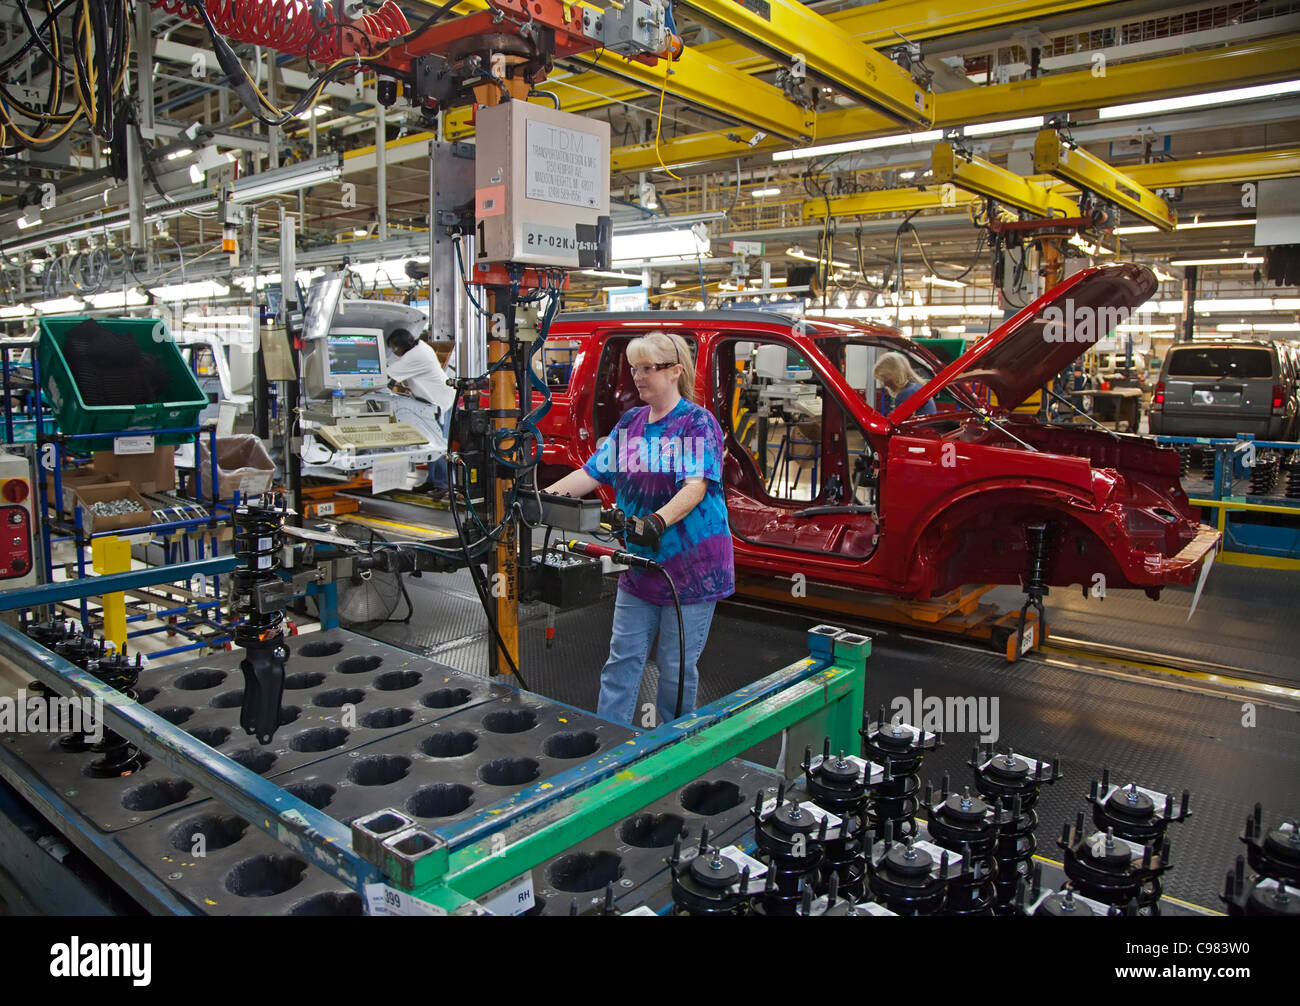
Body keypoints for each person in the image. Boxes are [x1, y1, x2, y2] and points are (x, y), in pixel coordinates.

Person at [545, 331, 734, 727]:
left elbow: (696, 486)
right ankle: (608, 743)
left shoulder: (696, 423)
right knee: (622, 659)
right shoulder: (630, 423)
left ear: (674, 371)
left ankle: (674, 746)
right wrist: (539, 498)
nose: (638, 377)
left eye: (648, 368)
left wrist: (657, 520)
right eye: (634, 368)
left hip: (691, 568)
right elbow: (590, 472)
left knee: (674, 666)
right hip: (640, 563)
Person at [385, 328, 456, 496]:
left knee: (438, 444)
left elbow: (387, 376)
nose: (394, 352)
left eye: (394, 348)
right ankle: (433, 481)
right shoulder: (421, 346)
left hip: (441, 403)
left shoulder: (414, 356)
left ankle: (445, 485)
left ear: (400, 346)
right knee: (430, 442)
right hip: (434, 402)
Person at [873, 351, 937, 416]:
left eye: (885, 378)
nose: (885, 384)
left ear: (895, 375)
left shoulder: (906, 393)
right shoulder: (918, 387)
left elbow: (896, 423)